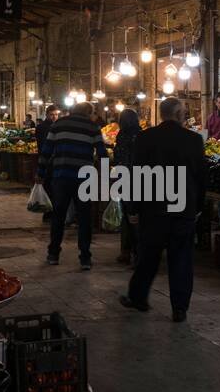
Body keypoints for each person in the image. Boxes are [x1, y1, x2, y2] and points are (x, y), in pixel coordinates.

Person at [120, 97, 206, 323]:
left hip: (153, 209)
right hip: (183, 209)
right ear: (179, 114)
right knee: (181, 259)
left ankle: (138, 298)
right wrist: (198, 207)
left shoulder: (145, 138)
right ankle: (179, 308)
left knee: (148, 256)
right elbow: (201, 177)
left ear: (161, 114)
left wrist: (134, 207)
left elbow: (136, 174)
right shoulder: (194, 139)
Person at [39, 102, 106, 270]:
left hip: (61, 177)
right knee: (84, 218)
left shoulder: (58, 125)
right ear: (89, 113)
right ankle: (85, 258)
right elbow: (103, 154)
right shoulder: (93, 127)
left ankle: (53, 254)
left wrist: (39, 174)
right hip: (84, 180)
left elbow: (46, 151)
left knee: (58, 217)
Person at [111, 108, 142, 265]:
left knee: (128, 217)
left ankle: (129, 253)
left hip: (125, 179)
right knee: (135, 217)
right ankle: (133, 254)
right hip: (141, 179)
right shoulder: (141, 134)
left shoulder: (122, 135)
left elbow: (119, 158)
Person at [34, 105, 60, 224]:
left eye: (56, 114)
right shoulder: (42, 127)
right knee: (48, 187)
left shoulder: (58, 126)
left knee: (54, 189)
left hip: (55, 161)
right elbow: (44, 146)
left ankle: (52, 213)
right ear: (47, 114)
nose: (54, 117)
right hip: (47, 161)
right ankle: (48, 213)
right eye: (52, 114)